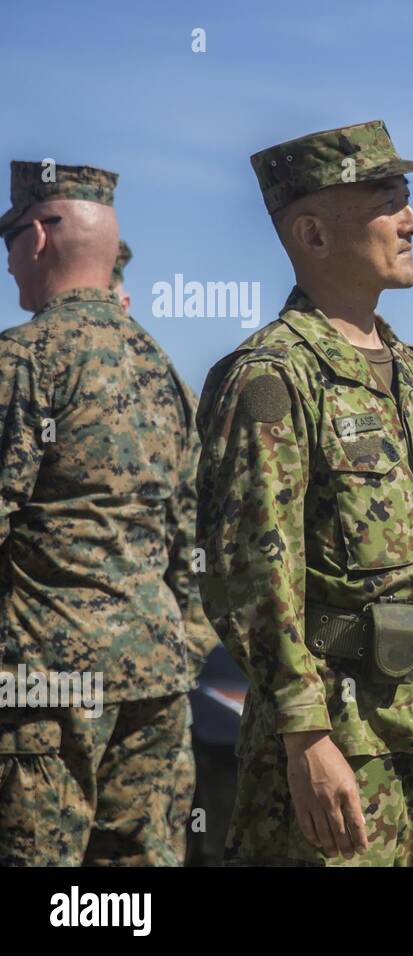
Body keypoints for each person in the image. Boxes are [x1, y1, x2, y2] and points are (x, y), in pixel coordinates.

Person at [196, 120, 413, 866]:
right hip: (342, 752)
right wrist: (305, 735)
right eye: (389, 201)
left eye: (407, 199)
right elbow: (250, 577)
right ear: (312, 234)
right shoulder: (270, 376)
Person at [0, 161, 215, 865]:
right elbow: (199, 543)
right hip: (155, 683)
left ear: (36, 237)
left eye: (8, 243)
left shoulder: (23, 361)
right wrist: (179, 649)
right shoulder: (165, 373)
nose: (7, 266)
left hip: (44, 686)